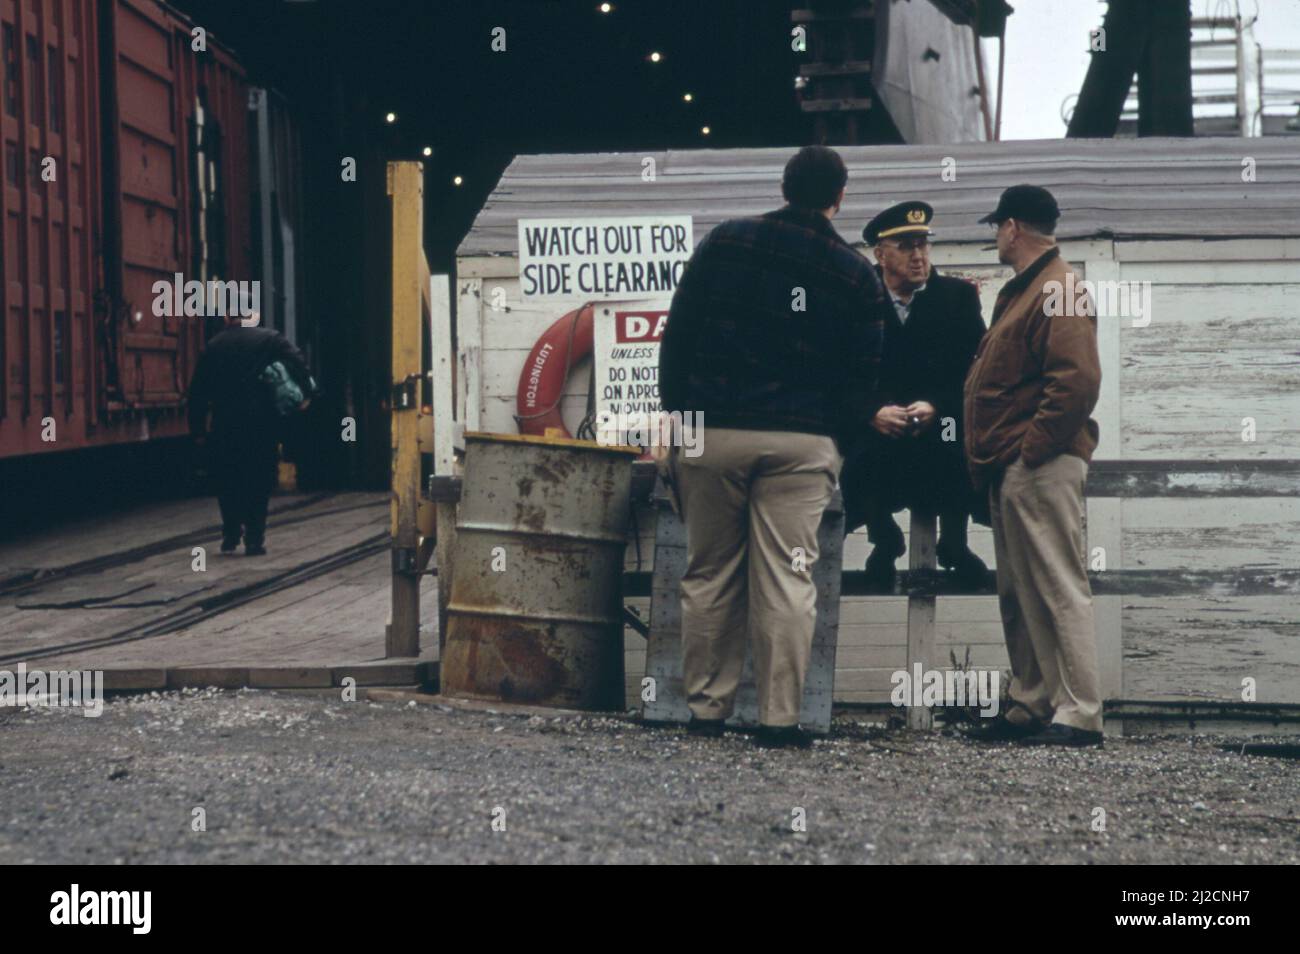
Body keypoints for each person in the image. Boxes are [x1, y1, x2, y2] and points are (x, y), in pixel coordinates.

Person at [658, 145, 891, 748]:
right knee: (789, 579)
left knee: (709, 574)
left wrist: (683, 421)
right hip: (803, 441)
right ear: (839, 199)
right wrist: (835, 444)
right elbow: (863, 380)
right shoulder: (856, 273)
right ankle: (779, 720)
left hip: (715, 433)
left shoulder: (725, 243)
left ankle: (706, 713)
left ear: (785, 186)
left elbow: (677, 338)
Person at [963, 185, 1104, 747]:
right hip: (1017, 464)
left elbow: (1077, 382)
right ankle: (1032, 701)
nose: (995, 235)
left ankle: (1080, 712)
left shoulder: (1058, 287)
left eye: (997, 226)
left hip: (1038, 462)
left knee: (1054, 585)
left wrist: (1031, 449)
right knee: (1020, 590)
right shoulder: (1033, 288)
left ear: (1013, 228)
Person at [839, 201, 989, 592]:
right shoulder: (854, 300)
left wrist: (936, 405)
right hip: (880, 432)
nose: (919, 256)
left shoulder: (958, 297)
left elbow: (974, 371)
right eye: (906, 246)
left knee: (955, 434)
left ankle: (954, 543)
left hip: (936, 427)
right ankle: (883, 540)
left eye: (923, 245)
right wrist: (872, 411)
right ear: (880, 253)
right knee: (859, 449)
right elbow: (837, 373)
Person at [187, 309, 315, 556]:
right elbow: (297, 360)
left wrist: (198, 430)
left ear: (227, 317)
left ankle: (231, 532)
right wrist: (305, 392)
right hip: (261, 423)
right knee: (260, 479)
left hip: (225, 424)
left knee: (228, 479)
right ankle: (255, 538)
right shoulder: (269, 339)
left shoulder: (213, 346)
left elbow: (197, 392)